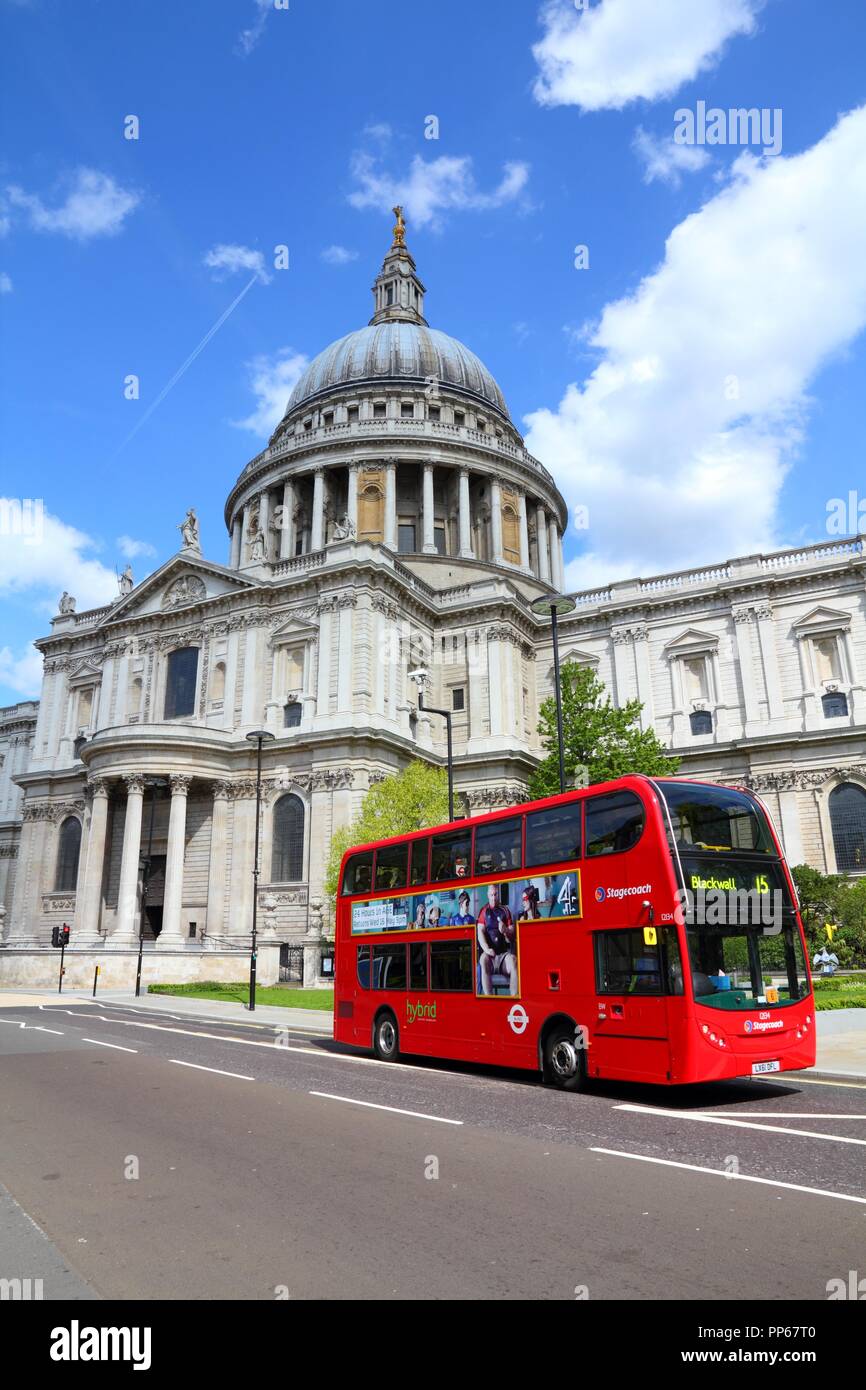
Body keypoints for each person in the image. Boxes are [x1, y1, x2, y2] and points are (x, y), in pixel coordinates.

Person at [476, 884, 517, 996]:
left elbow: (512, 934)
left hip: (503, 955)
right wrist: (486, 949)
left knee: (514, 961)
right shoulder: (484, 911)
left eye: (495, 894)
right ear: (488, 895)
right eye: (491, 895)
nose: (493, 898)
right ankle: (488, 998)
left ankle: (514, 998)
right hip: (490, 956)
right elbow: (480, 932)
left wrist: (505, 930)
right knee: (482, 959)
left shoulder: (505, 910)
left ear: (498, 894)